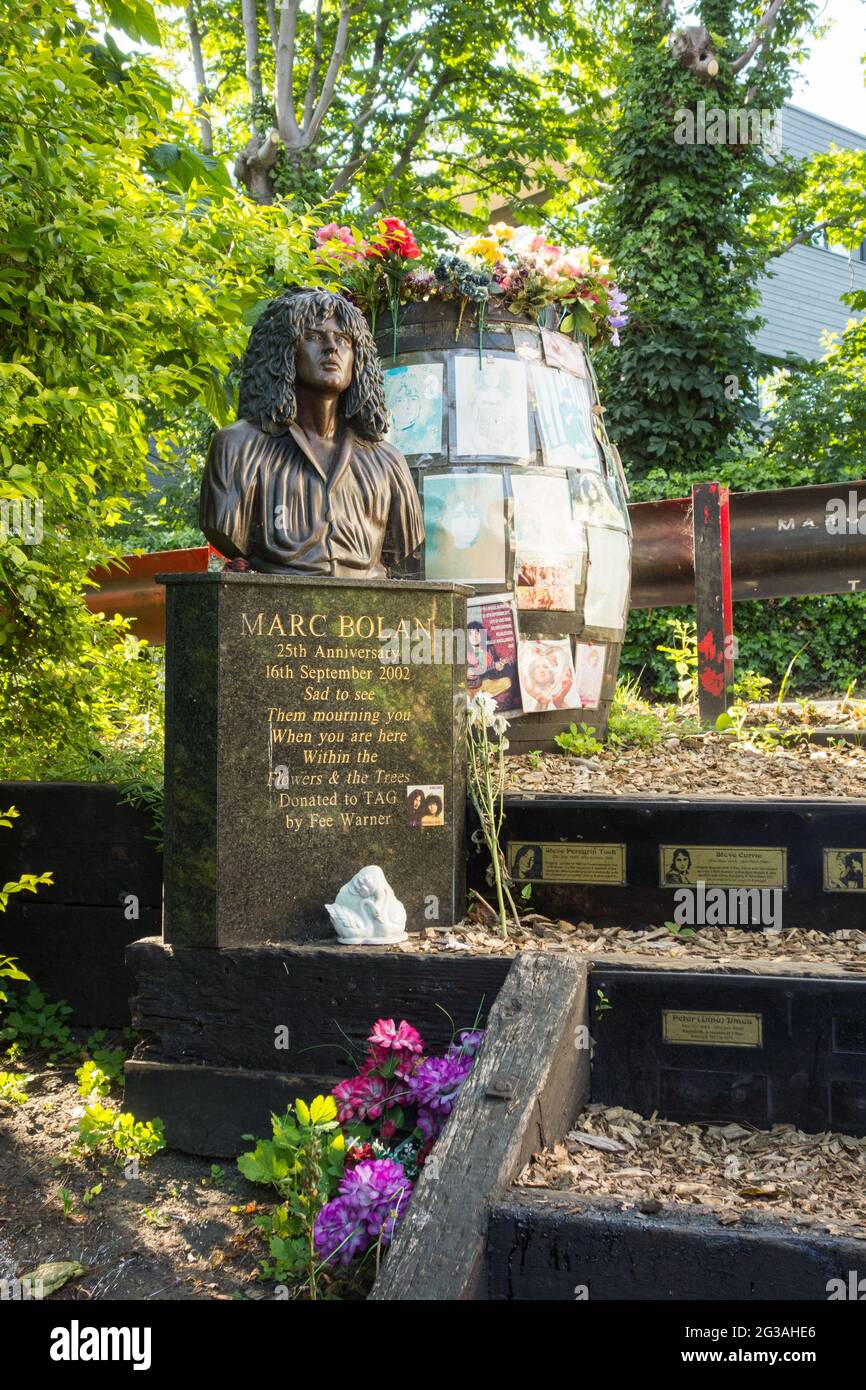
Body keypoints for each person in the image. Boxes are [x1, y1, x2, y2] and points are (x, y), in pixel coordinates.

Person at [200, 288, 424, 576]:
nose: (332, 348)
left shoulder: (389, 462)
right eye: (314, 337)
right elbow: (225, 529)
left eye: (343, 340)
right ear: (284, 351)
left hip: (368, 610)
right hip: (272, 608)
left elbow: (401, 548)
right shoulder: (238, 447)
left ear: (359, 358)